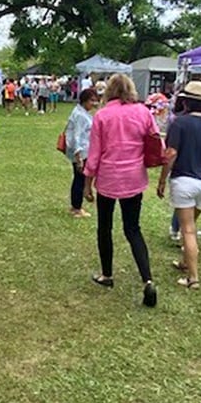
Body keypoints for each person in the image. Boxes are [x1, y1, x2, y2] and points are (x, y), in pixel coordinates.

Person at [83, 73, 159, 308]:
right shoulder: (143, 112)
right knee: (133, 228)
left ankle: (107, 274)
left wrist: (87, 183)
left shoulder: (102, 115)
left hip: (108, 177)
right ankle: (147, 279)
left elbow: (94, 154)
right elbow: (156, 140)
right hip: (134, 177)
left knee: (104, 227)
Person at [157, 80, 201, 289]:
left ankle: (193, 277)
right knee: (192, 225)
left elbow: (171, 154)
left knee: (188, 230)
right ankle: (185, 262)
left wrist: (162, 180)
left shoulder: (179, 123)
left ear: (186, 101)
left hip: (184, 181)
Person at [64, 87, 99, 218]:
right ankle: (76, 207)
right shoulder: (80, 115)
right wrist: (78, 157)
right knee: (80, 179)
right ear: (84, 100)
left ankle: (76, 205)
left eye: (95, 100)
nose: (94, 103)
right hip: (81, 152)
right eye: (91, 100)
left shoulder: (83, 112)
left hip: (84, 151)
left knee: (79, 179)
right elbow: (77, 136)